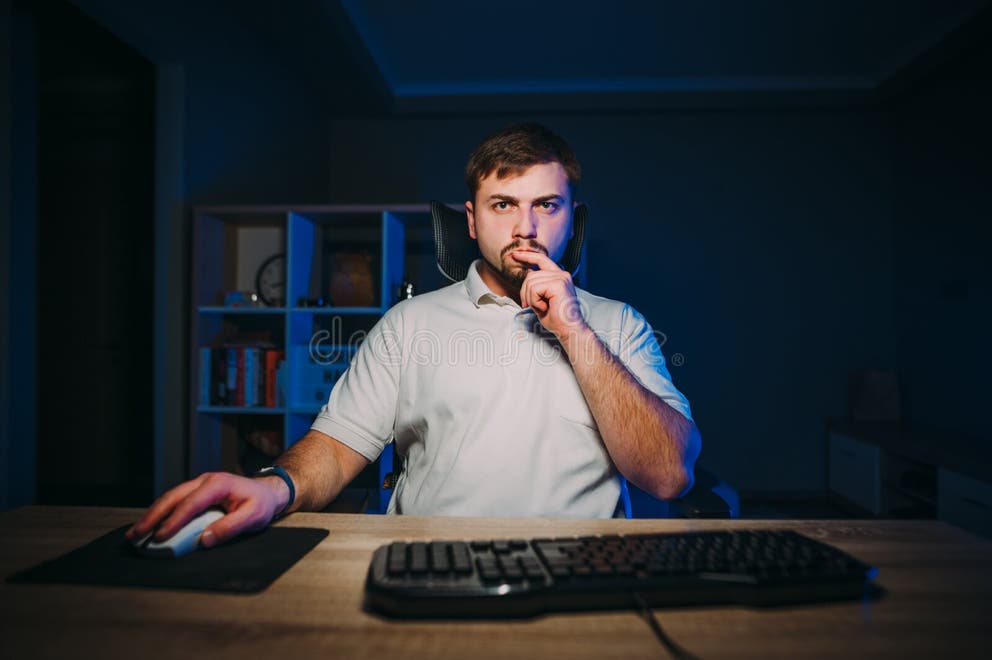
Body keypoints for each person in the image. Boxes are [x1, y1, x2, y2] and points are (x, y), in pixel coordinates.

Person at [127, 123, 701, 548]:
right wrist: (274, 486)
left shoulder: (620, 324)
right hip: (428, 562)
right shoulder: (409, 325)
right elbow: (335, 446)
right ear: (472, 221)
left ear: (571, 218)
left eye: (546, 205)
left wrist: (575, 330)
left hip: (582, 569)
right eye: (503, 204)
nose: (525, 227)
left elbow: (669, 475)